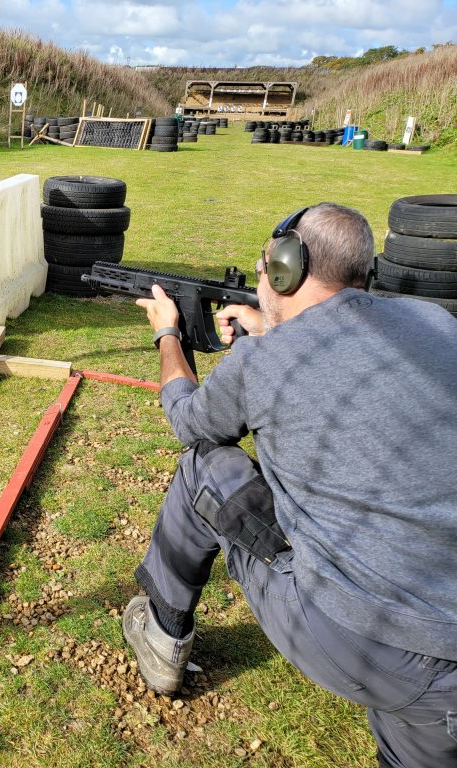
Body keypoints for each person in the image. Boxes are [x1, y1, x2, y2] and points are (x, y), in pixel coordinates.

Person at [122, 202, 457, 768]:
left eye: (262, 269)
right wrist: (272, 328)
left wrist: (168, 335)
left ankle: (162, 634)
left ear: (286, 268)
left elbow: (186, 419)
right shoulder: (438, 325)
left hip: (364, 639)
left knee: (206, 465)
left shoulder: (260, 362)